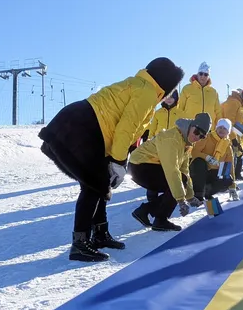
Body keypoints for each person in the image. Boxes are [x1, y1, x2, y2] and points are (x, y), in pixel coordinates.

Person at [39, 57, 184, 263]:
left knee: (101, 183)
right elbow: (125, 128)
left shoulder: (142, 87)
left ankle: (99, 234)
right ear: (166, 83)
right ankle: (80, 244)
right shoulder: (146, 92)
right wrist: (117, 161)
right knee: (93, 185)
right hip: (80, 127)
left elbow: (131, 133)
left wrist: (120, 160)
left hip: (84, 125)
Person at [128, 113, 211, 231]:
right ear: (191, 126)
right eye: (197, 132)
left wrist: (190, 196)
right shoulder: (172, 138)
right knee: (175, 181)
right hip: (139, 166)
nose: (197, 137)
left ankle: (144, 211)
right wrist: (181, 200)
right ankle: (160, 220)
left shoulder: (187, 144)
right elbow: (172, 171)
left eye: (202, 136)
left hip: (150, 166)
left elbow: (184, 171)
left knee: (180, 179)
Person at [189, 118, 237, 205]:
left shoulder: (227, 146)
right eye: (220, 127)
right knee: (199, 162)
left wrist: (232, 186)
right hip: (200, 171)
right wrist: (206, 157)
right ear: (216, 128)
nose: (222, 130)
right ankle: (198, 194)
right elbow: (194, 152)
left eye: (224, 128)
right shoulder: (207, 137)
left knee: (227, 179)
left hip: (214, 172)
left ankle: (207, 192)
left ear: (228, 131)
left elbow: (229, 165)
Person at [220, 88, 243, 179]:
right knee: (227, 159)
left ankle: (231, 179)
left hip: (235, 136)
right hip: (227, 137)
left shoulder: (241, 105)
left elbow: (240, 123)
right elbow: (229, 122)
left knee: (234, 159)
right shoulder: (233, 103)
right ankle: (224, 181)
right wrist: (233, 138)